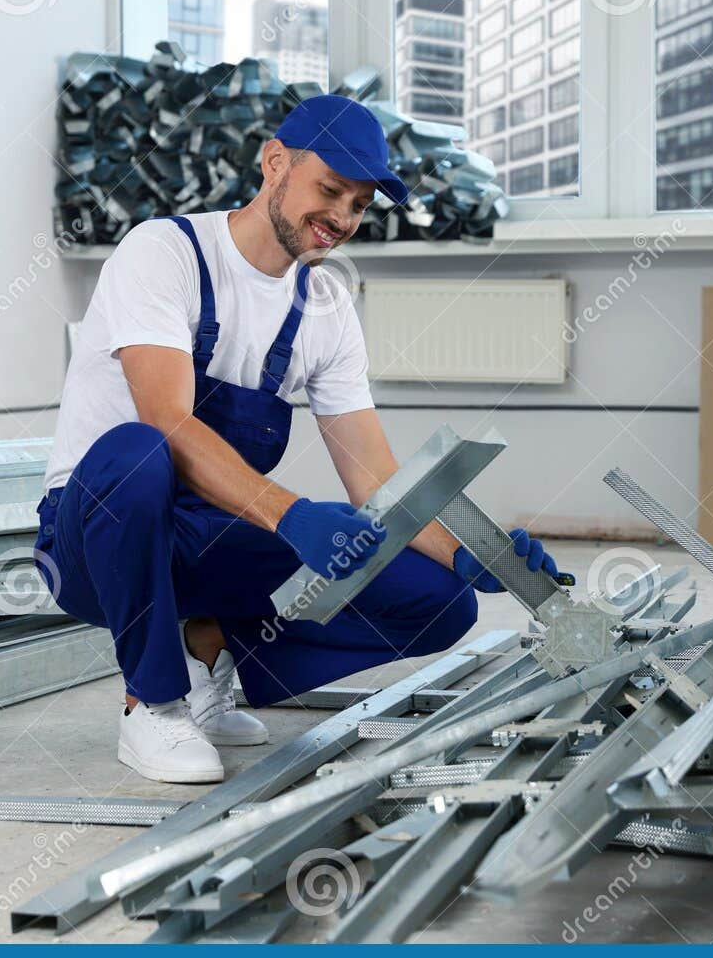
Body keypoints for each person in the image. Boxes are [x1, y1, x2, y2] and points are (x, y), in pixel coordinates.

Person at [34, 94, 562, 783]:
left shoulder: (325, 308)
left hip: (207, 539)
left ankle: (207, 653)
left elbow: (375, 480)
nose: (342, 218)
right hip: (95, 536)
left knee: (435, 597)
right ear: (275, 162)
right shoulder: (165, 252)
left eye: (361, 203)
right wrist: (290, 515)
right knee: (136, 454)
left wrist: (470, 553)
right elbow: (165, 418)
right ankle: (151, 705)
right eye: (331, 190)